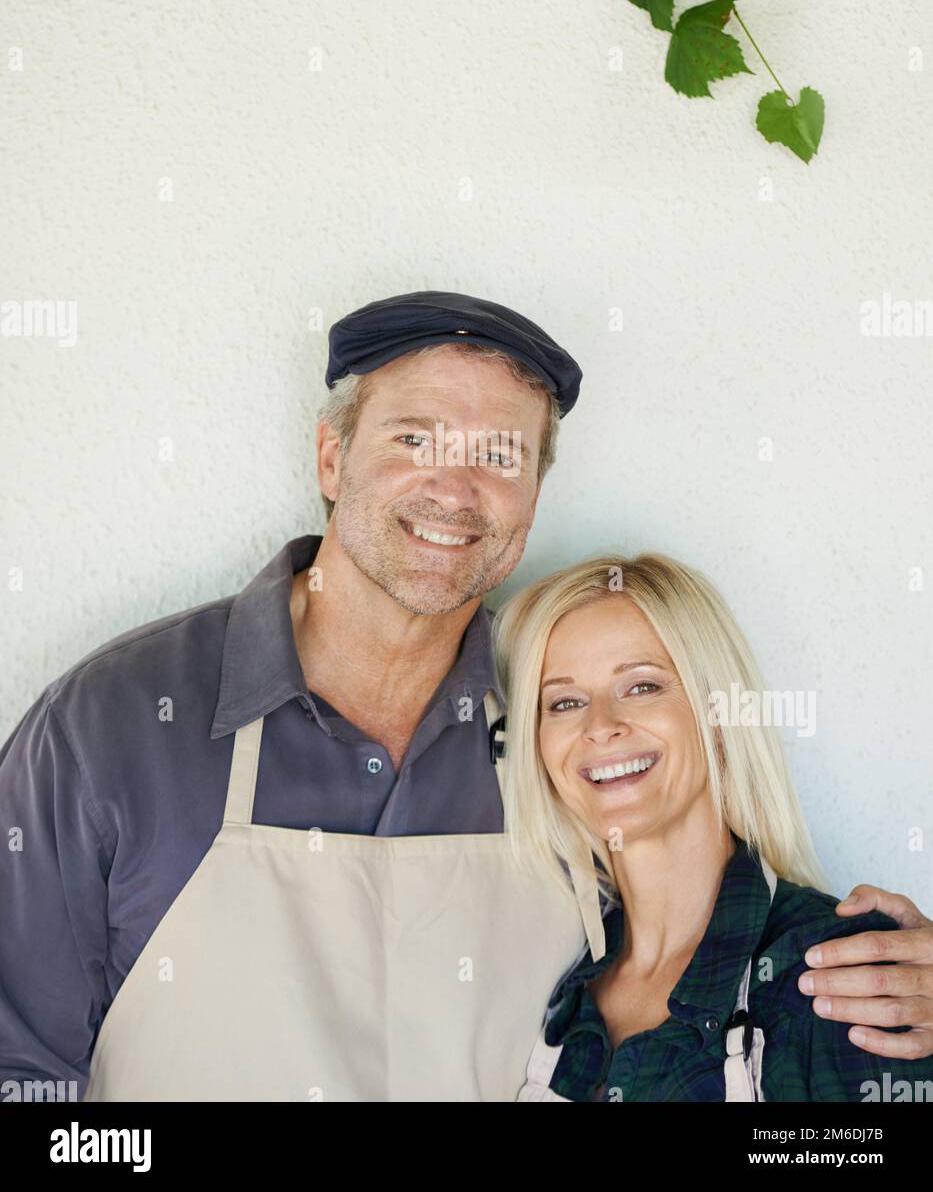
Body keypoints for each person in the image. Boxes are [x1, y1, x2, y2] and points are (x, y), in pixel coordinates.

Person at [1, 291, 931, 1102]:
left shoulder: (560, 726)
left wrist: (908, 983)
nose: (454, 489)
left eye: (500, 454)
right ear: (332, 460)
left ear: (533, 495)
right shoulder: (107, 727)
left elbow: (701, 930)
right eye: (414, 439)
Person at [491, 553, 933, 1101]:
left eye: (642, 687)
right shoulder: (557, 984)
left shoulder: (842, 973)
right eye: (564, 702)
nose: (600, 726)